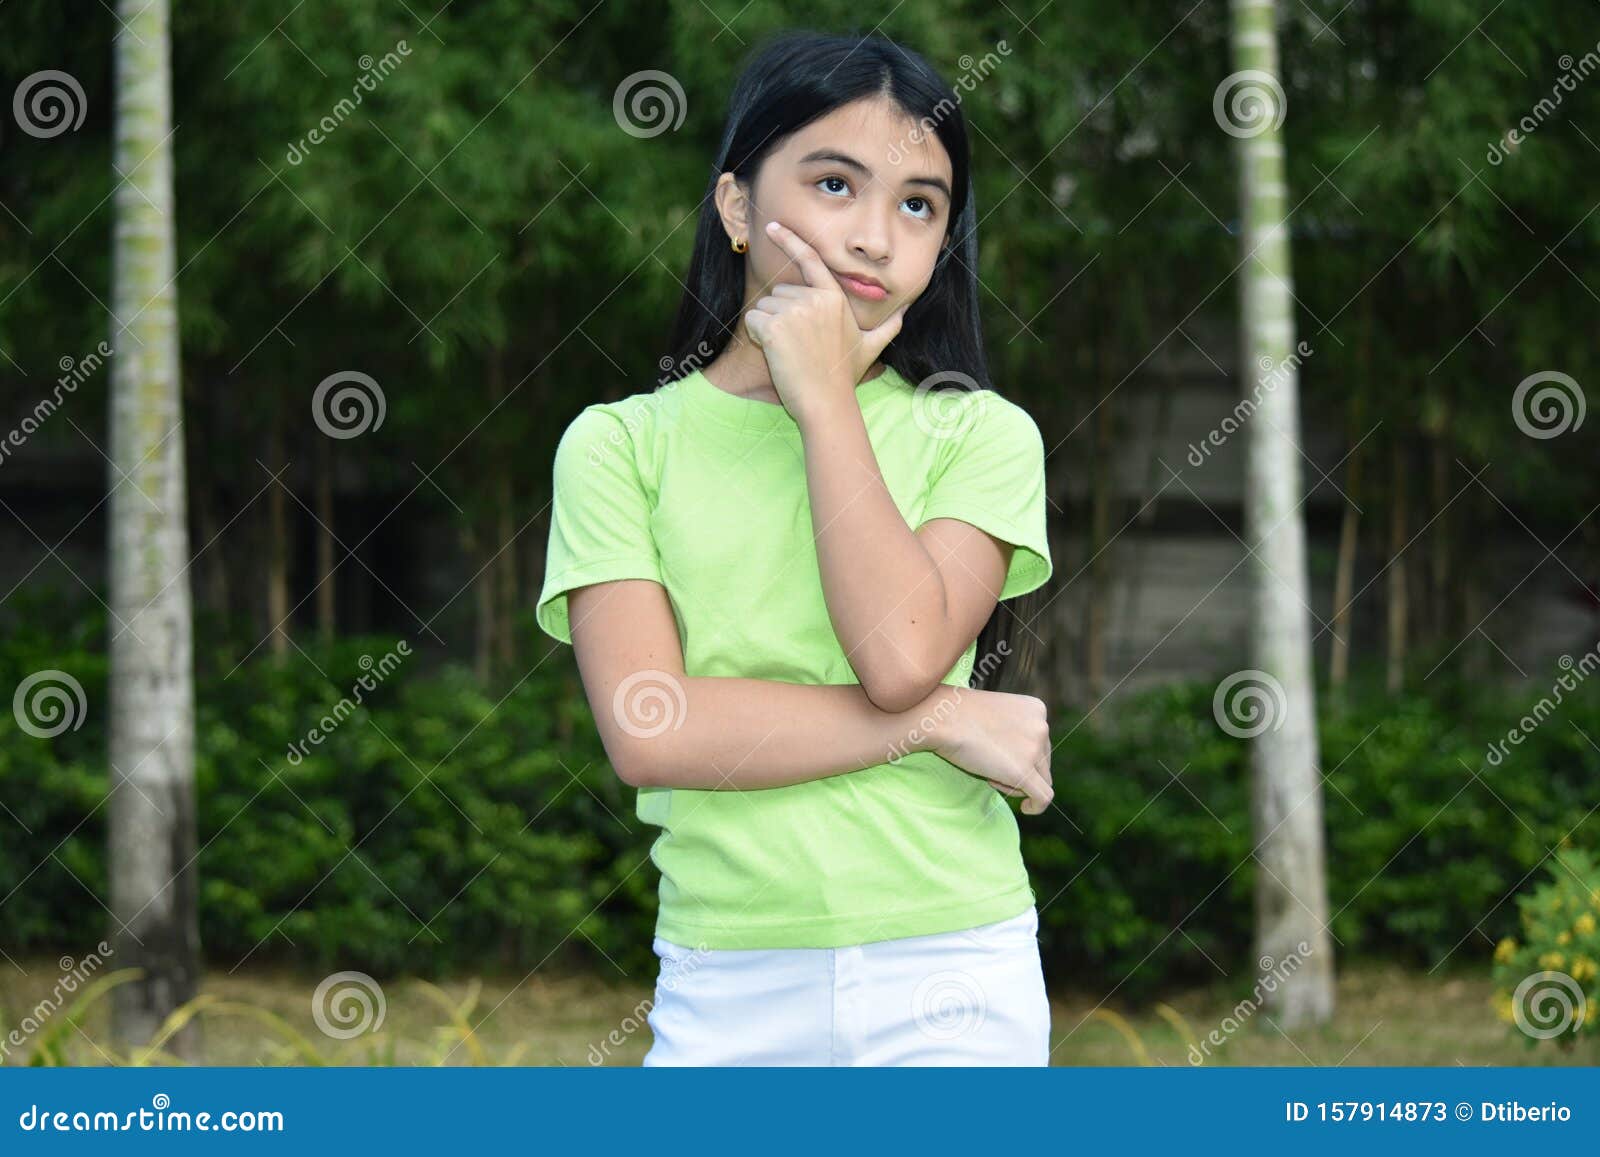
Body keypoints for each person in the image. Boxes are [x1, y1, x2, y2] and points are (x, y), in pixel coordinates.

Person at [535, 28, 1055, 1066]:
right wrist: (941, 719)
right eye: (834, 184)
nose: (876, 237)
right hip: (727, 976)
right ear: (736, 206)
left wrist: (824, 401)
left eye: (920, 204)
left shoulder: (982, 434)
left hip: (954, 965)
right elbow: (653, 728)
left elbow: (898, 655)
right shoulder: (618, 446)